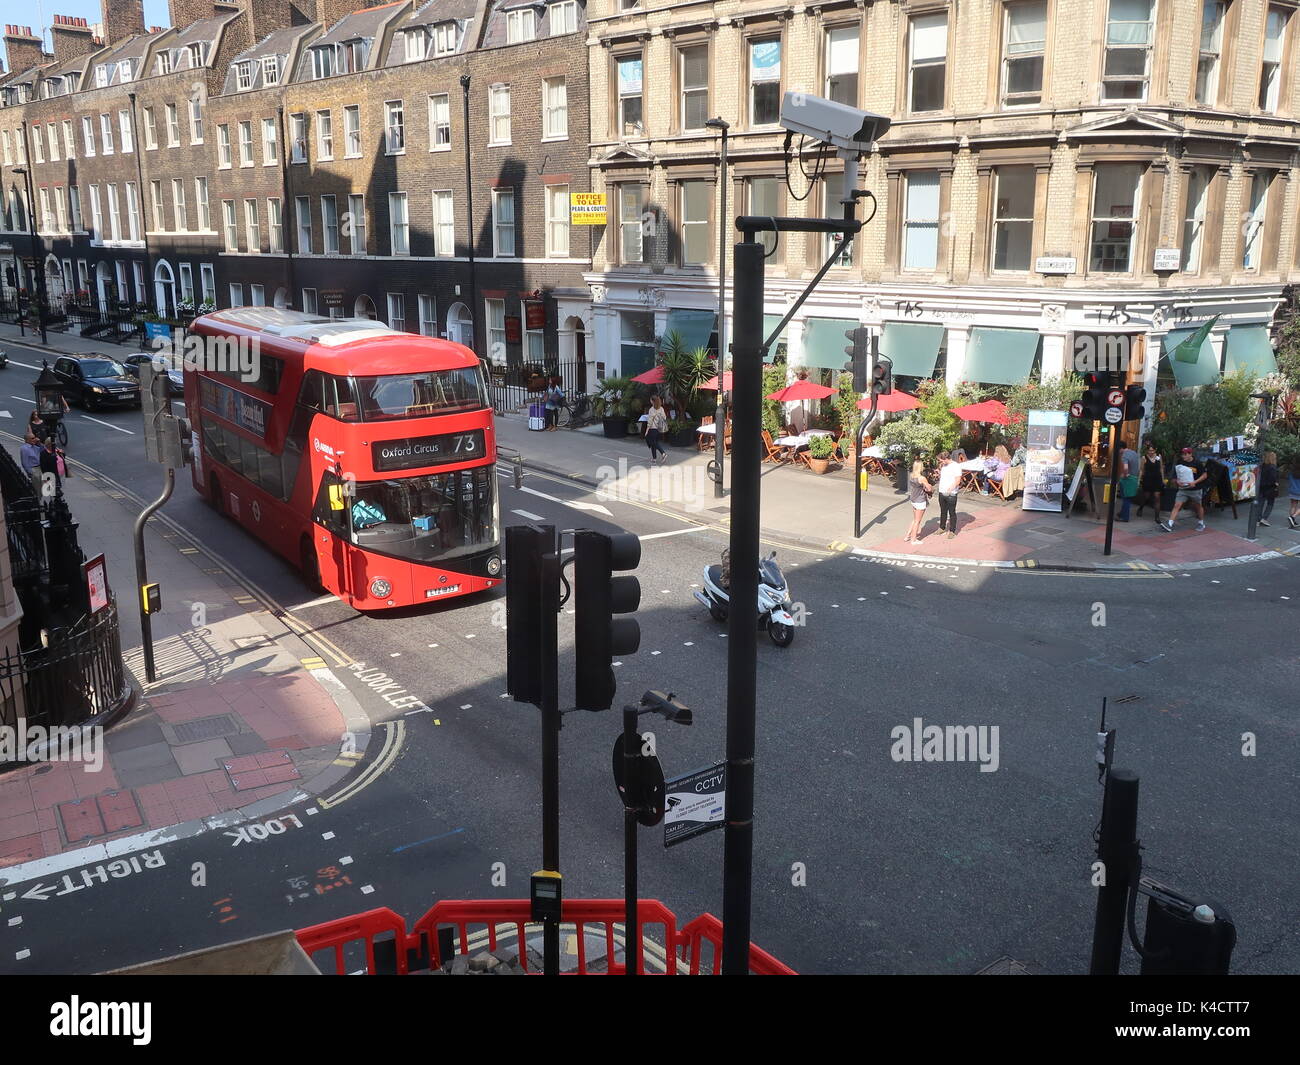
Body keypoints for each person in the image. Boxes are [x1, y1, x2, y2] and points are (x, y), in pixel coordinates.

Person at [1161, 447, 1207, 532]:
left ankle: (1201, 523)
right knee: (1177, 505)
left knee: (1198, 506)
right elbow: (1175, 475)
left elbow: (1204, 475)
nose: (1183, 456)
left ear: (1190, 454)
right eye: (1183, 454)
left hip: (1195, 490)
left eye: (1185, 454)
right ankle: (1169, 524)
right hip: (1183, 489)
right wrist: (1177, 481)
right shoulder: (1180, 462)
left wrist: (1195, 482)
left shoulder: (1198, 463)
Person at [935, 451, 963, 539]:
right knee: (943, 511)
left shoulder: (956, 466)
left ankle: (952, 530)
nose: (941, 462)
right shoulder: (944, 466)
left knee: (952, 512)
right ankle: (942, 527)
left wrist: (952, 488)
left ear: (946, 459)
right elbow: (945, 476)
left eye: (941, 460)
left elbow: (958, 480)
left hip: (951, 493)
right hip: (942, 491)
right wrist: (938, 473)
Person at [904, 458, 933, 543]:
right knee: (917, 521)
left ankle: (908, 535)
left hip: (913, 498)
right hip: (920, 499)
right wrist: (930, 486)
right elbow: (929, 488)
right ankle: (913, 539)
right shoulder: (922, 478)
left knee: (914, 519)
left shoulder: (911, 475)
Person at [1136, 443, 1165, 523]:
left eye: (1152, 450)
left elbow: (1161, 468)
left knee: (1157, 497)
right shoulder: (1144, 458)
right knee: (1146, 497)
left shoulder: (1159, 457)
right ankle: (1141, 508)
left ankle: (1157, 517)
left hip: (1157, 480)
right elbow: (1142, 470)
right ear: (1147, 451)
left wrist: (1163, 479)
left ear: (1155, 450)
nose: (1151, 452)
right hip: (1147, 480)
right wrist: (1139, 480)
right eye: (1149, 450)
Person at [1117, 439, 1140, 522]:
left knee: (1125, 499)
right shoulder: (1134, 453)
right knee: (1128, 498)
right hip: (1134, 478)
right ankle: (1122, 513)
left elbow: (1126, 467)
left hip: (1128, 479)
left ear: (1120, 448)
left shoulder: (1124, 455)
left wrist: (1125, 474)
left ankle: (1124, 517)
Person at [645, 394, 668, 465]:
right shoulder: (661, 409)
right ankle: (654, 458)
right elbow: (664, 418)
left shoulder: (651, 410)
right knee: (654, 443)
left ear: (652, 401)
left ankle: (663, 453)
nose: (650, 401)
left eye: (650, 400)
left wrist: (647, 430)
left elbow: (650, 421)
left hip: (653, 428)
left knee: (653, 443)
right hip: (659, 429)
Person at [1257, 451, 1278, 527]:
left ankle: (1258, 519)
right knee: (1270, 503)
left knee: (1260, 503)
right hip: (1270, 488)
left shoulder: (1262, 466)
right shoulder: (1273, 467)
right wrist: (1276, 483)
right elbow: (1273, 479)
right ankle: (1264, 518)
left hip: (1261, 487)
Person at [19, 432, 43, 497]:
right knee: (37, 489)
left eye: (35, 437)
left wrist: (39, 443)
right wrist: (30, 473)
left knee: (43, 489)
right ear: (27, 440)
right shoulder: (24, 448)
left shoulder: (35, 446)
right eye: (32, 438)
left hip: (40, 468)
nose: (35, 439)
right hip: (34, 469)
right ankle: (38, 503)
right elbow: (24, 462)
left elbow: (44, 450)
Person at [1288, 458, 1300, 529]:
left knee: (1293, 506)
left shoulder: (1291, 471)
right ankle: (1293, 517)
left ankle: (1292, 522)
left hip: (1292, 490)